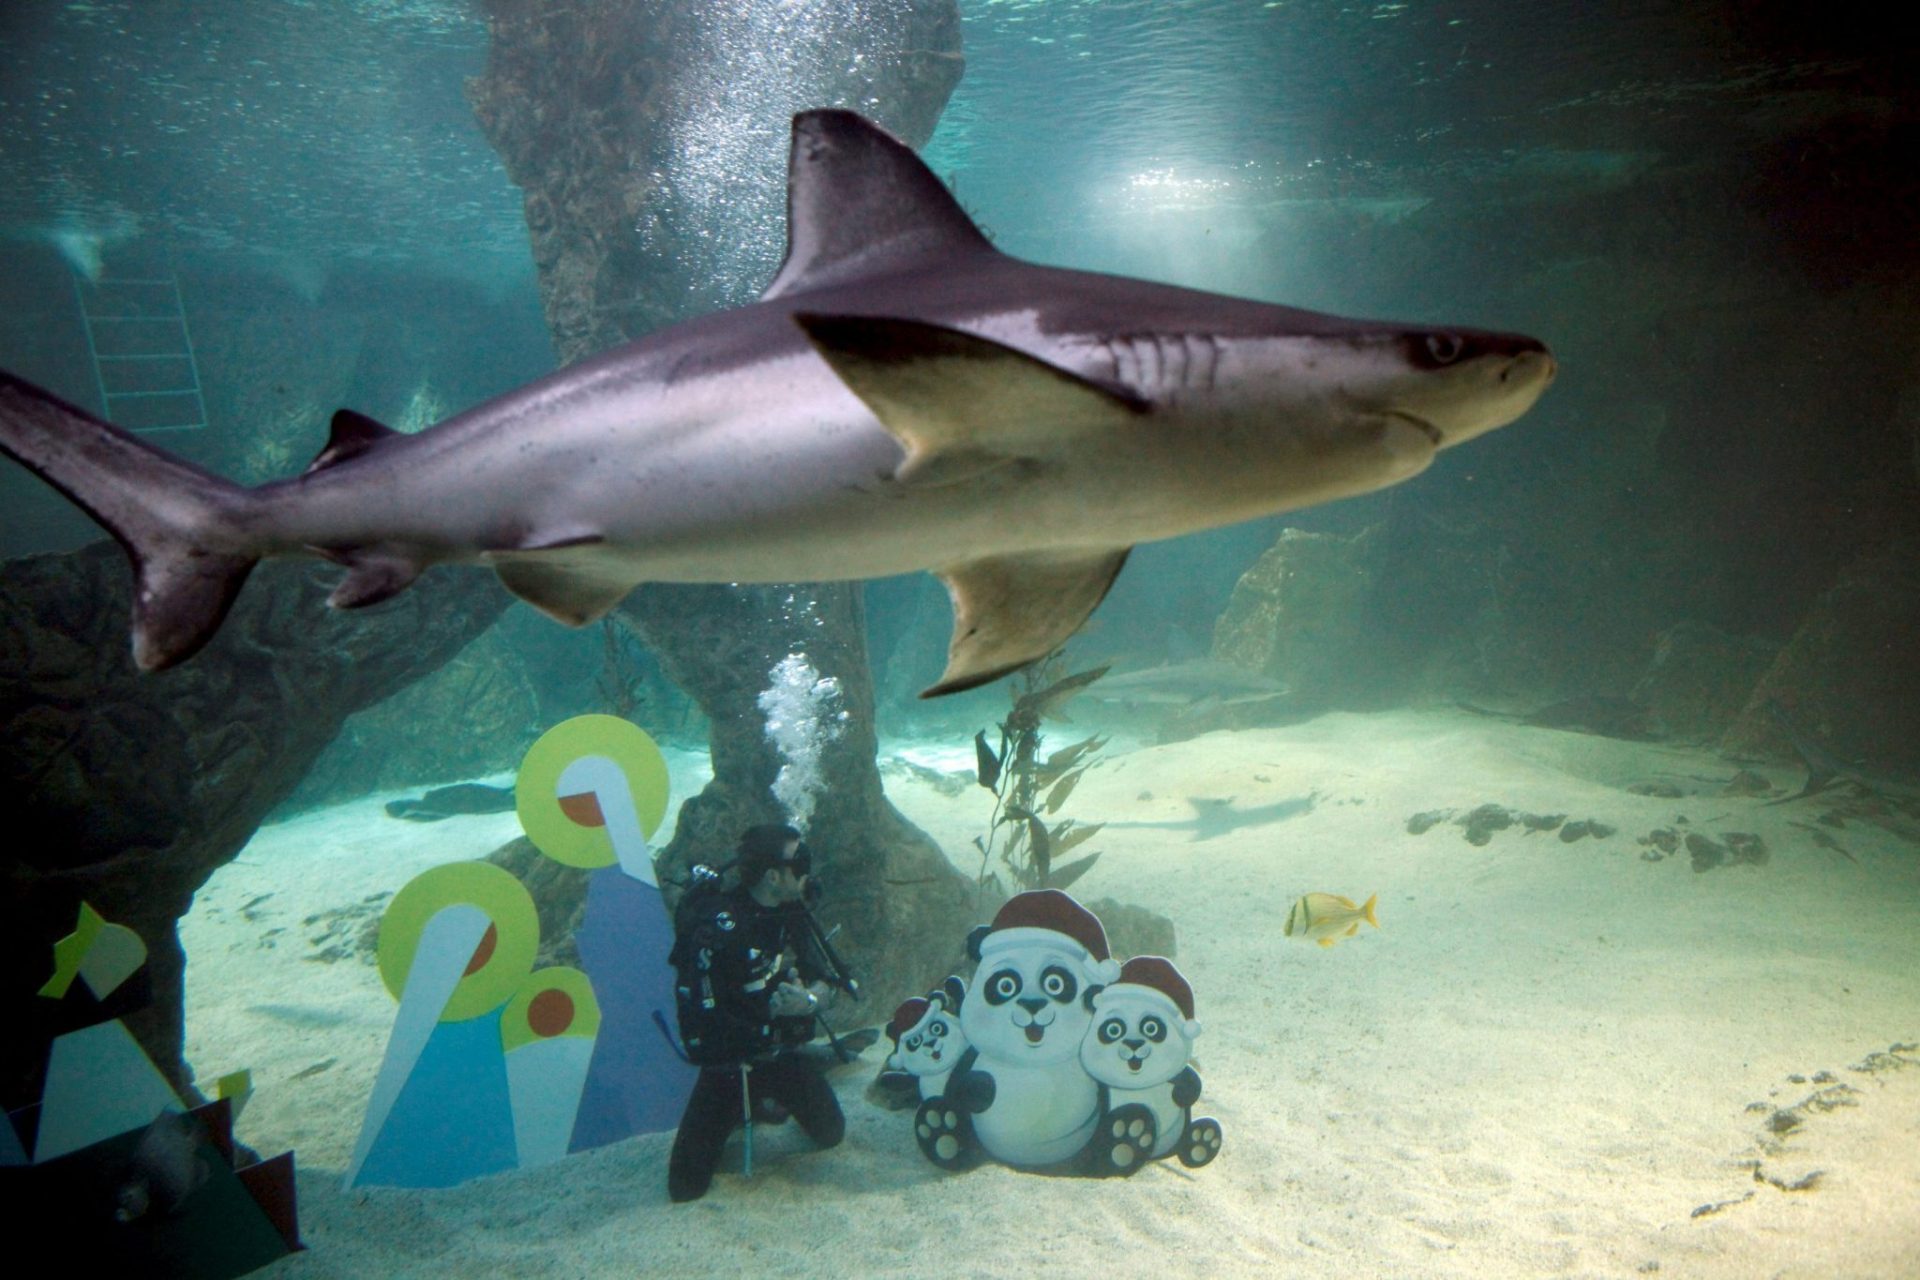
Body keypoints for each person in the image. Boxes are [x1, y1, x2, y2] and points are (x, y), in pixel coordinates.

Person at [666, 823, 846, 1202]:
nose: (807, 875)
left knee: (832, 1132)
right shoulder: (720, 928)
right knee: (685, 1187)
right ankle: (746, 1107)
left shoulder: (790, 909)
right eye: (799, 866)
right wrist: (764, 1028)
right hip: (728, 1067)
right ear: (772, 876)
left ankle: (766, 1101)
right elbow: (703, 1021)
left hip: (778, 1053)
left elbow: (830, 978)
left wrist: (808, 1000)